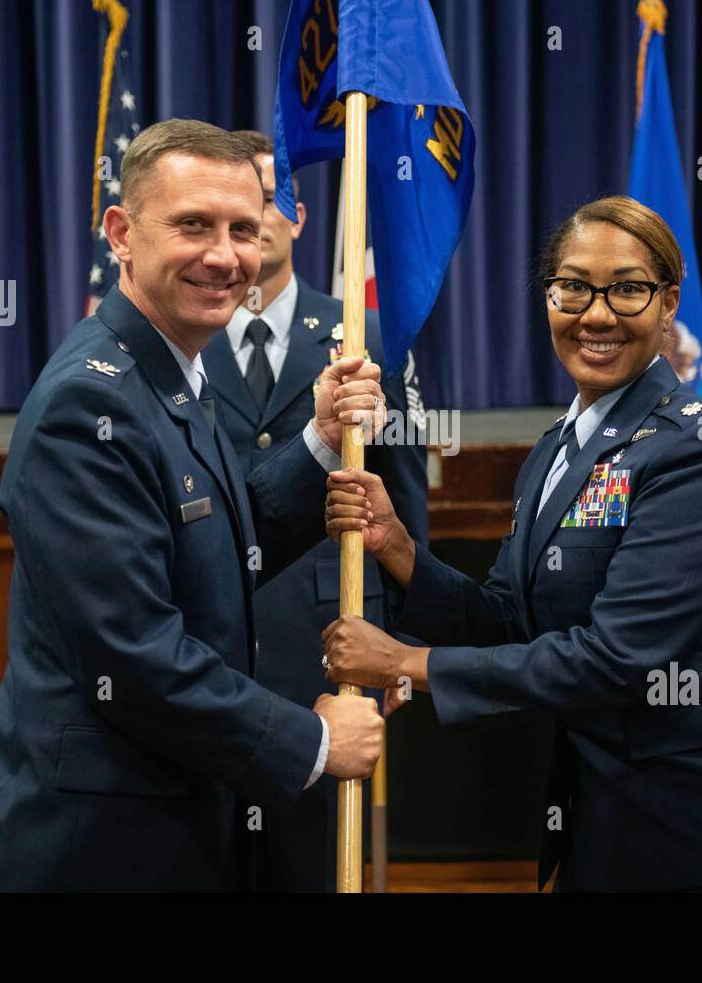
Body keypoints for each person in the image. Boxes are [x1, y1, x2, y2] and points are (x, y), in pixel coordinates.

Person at [322, 195, 702, 892]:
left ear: (668, 304)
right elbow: (510, 621)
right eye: (573, 286)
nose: (596, 313)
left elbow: (616, 660)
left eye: (628, 289)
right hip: (617, 828)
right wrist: (396, 547)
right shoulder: (556, 449)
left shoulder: (700, 449)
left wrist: (407, 662)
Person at [0, 120, 386, 892]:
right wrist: (312, 741)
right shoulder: (88, 403)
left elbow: (219, 545)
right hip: (90, 852)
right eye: (192, 225)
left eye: (242, 229)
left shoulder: (170, 369)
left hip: (168, 827)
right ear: (120, 233)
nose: (224, 256)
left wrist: (316, 443)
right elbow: (137, 658)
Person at [195, 130, 427, 892]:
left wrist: (399, 645)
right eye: (226, 207)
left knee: (313, 870)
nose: (252, 217)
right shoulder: (182, 338)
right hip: (208, 648)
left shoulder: (361, 337)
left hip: (324, 648)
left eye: (266, 198)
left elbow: (401, 506)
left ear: (296, 214)